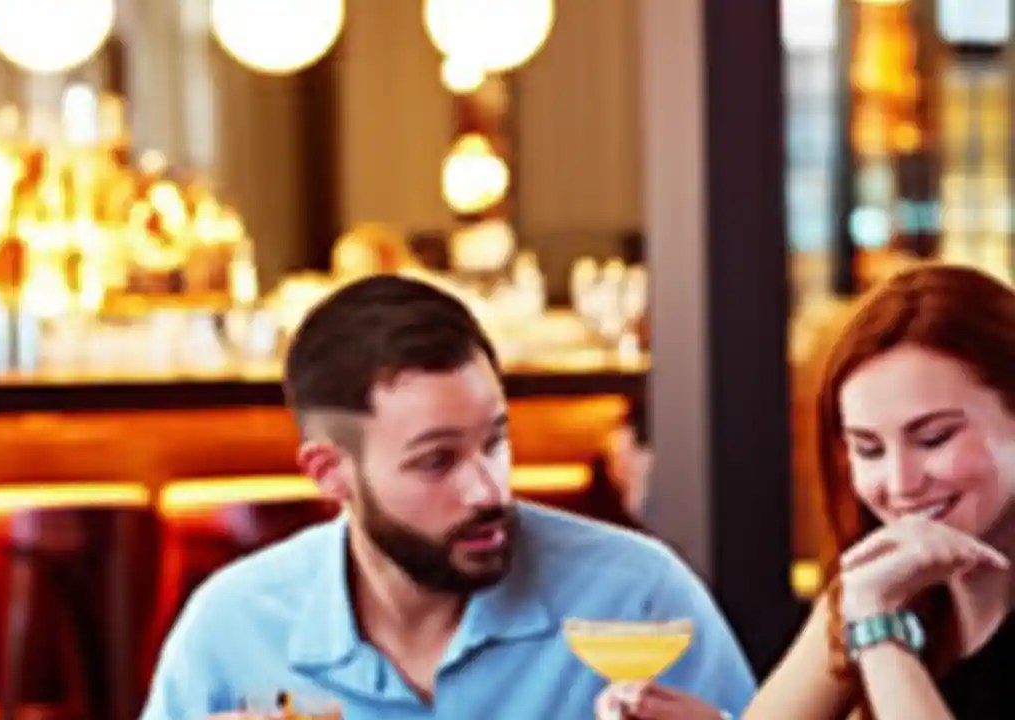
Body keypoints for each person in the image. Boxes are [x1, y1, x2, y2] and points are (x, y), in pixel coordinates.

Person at [141, 275, 754, 719]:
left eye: (495, 442)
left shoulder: (638, 598)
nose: (488, 489)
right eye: (436, 461)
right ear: (331, 473)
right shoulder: (233, 630)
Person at [745, 263, 1015, 719]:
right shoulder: (877, 584)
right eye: (868, 449)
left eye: (934, 439)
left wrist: (879, 630)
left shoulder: (873, 602)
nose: (901, 484)